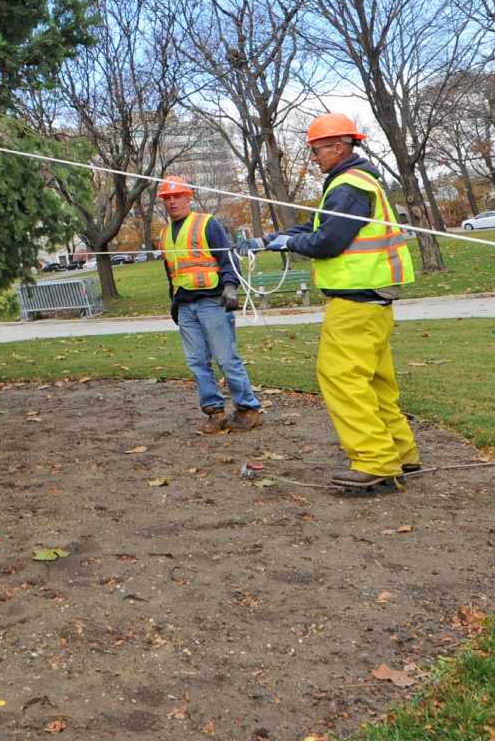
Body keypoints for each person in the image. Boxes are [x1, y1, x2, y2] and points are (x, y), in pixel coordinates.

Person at [264, 114, 419, 492]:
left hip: (356, 301)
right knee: (375, 381)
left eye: (316, 150)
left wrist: (291, 244)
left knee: (341, 377)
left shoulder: (348, 187)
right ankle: (400, 452)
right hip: (373, 300)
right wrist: (278, 236)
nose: (313, 158)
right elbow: (323, 228)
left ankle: (374, 460)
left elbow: (328, 243)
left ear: (338, 146)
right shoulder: (355, 182)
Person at [158, 176, 262, 433]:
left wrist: (230, 286)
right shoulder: (164, 234)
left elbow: (227, 257)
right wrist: (174, 301)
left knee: (226, 359)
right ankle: (214, 412)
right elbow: (172, 271)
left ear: (188, 197)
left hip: (212, 302)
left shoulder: (206, 223)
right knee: (196, 362)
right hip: (185, 305)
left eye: (177, 196)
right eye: (167, 198)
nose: (172, 202)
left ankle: (248, 408)